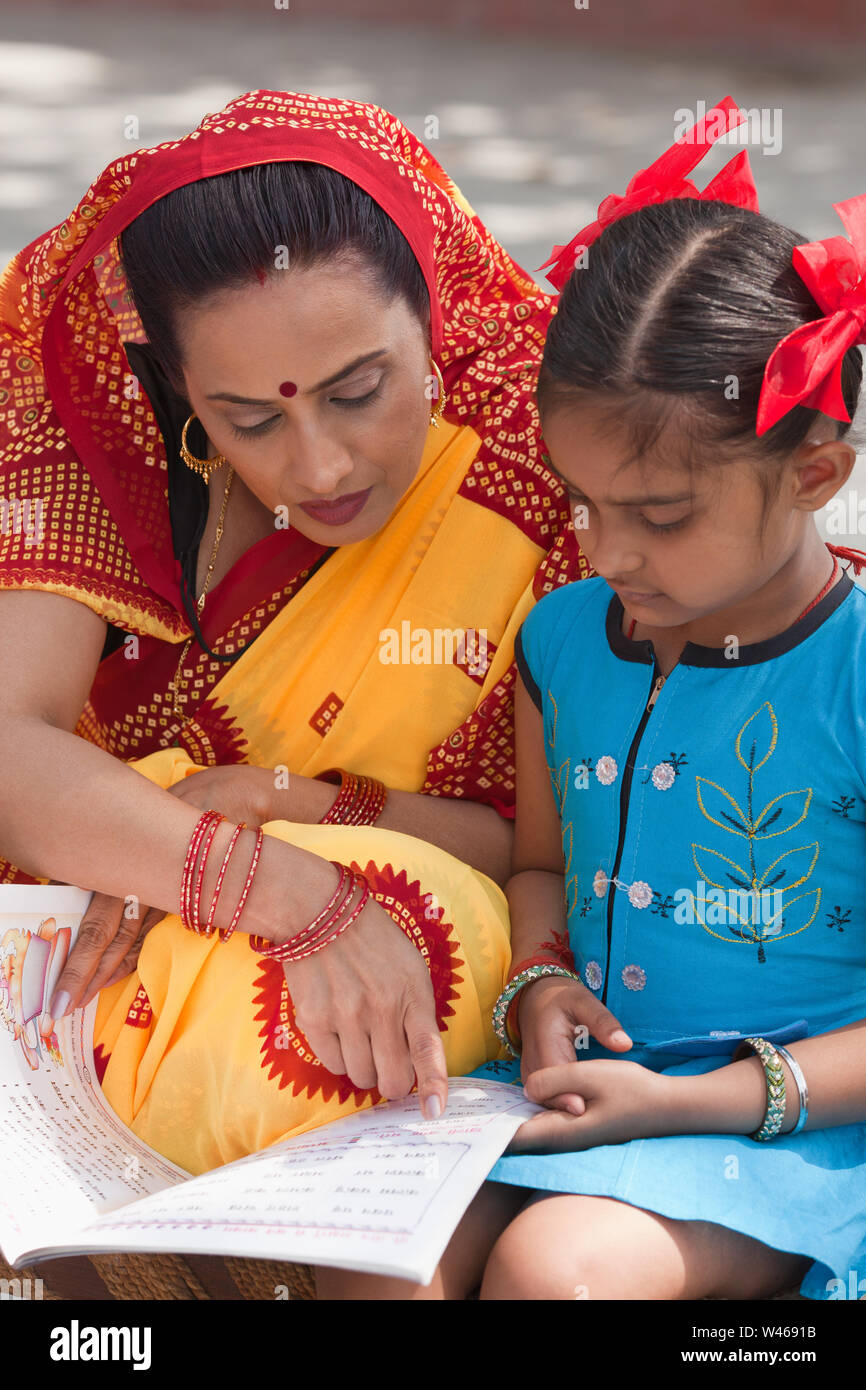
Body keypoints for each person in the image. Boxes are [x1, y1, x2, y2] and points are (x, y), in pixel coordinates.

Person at [317, 110, 866, 1301]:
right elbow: (536, 868)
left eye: (659, 515)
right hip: (566, 1102)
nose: (604, 551)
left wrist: (685, 1100)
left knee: (553, 1274)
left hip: (789, 1131)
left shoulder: (853, 670)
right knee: (376, 1267)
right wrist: (539, 981)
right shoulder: (561, 638)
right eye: (579, 501)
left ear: (814, 472)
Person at [0, 90, 590, 1176]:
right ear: (177, 388)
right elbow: (9, 751)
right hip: (79, 911)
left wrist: (292, 808)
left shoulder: (540, 459)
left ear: (436, 320)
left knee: (407, 955)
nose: (318, 467)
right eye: (251, 420)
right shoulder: (90, 410)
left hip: (344, 929)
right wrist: (286, 893)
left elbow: (554, 844)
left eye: (360, 389)